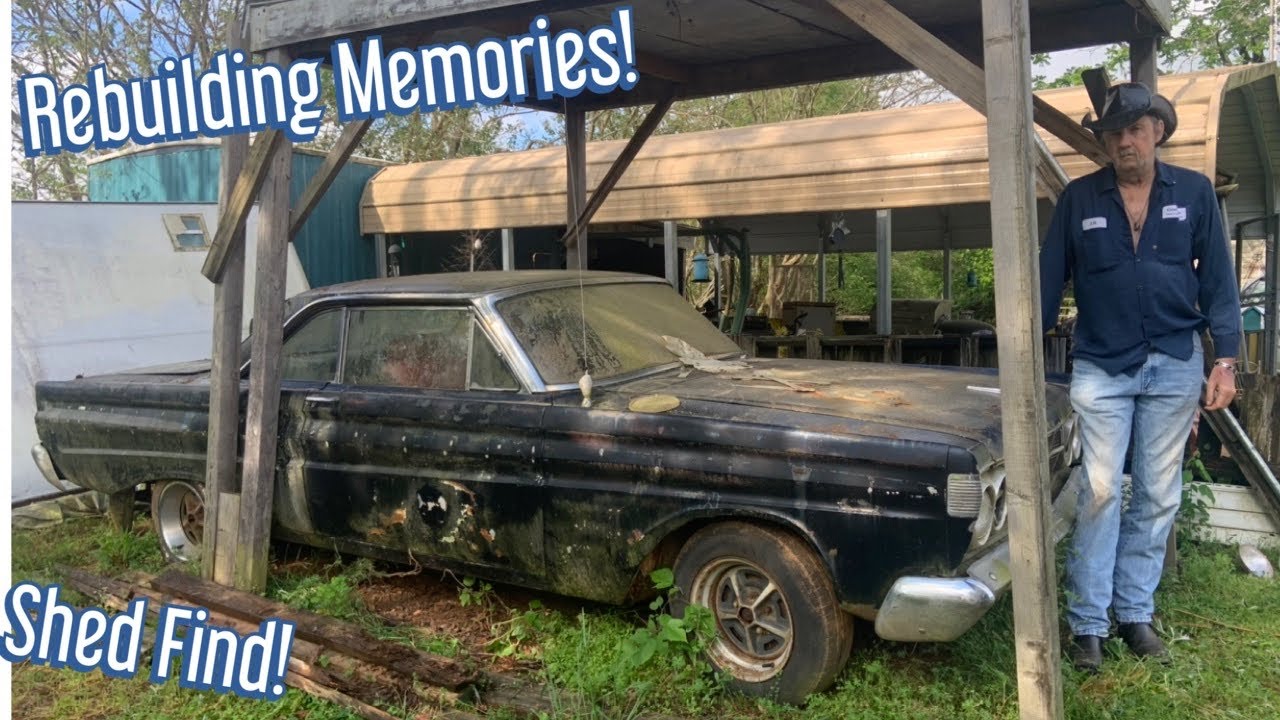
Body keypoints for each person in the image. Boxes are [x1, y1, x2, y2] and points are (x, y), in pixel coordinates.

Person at [1039, 81, 1240, 672]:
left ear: (1157, 132)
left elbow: (1220, 283)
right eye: (1114, 133)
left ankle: (1134, 613)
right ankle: (1087, 624)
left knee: (1157, 495)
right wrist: (1022, 353)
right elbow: (1049, 280)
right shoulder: (1079, 199)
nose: (1125, 141)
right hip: (1102, 365)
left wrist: (1225, 359)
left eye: (1135, 129)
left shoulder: (1195, 194)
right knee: (1099, 492)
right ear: (1104, 142)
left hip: (1176, 362)